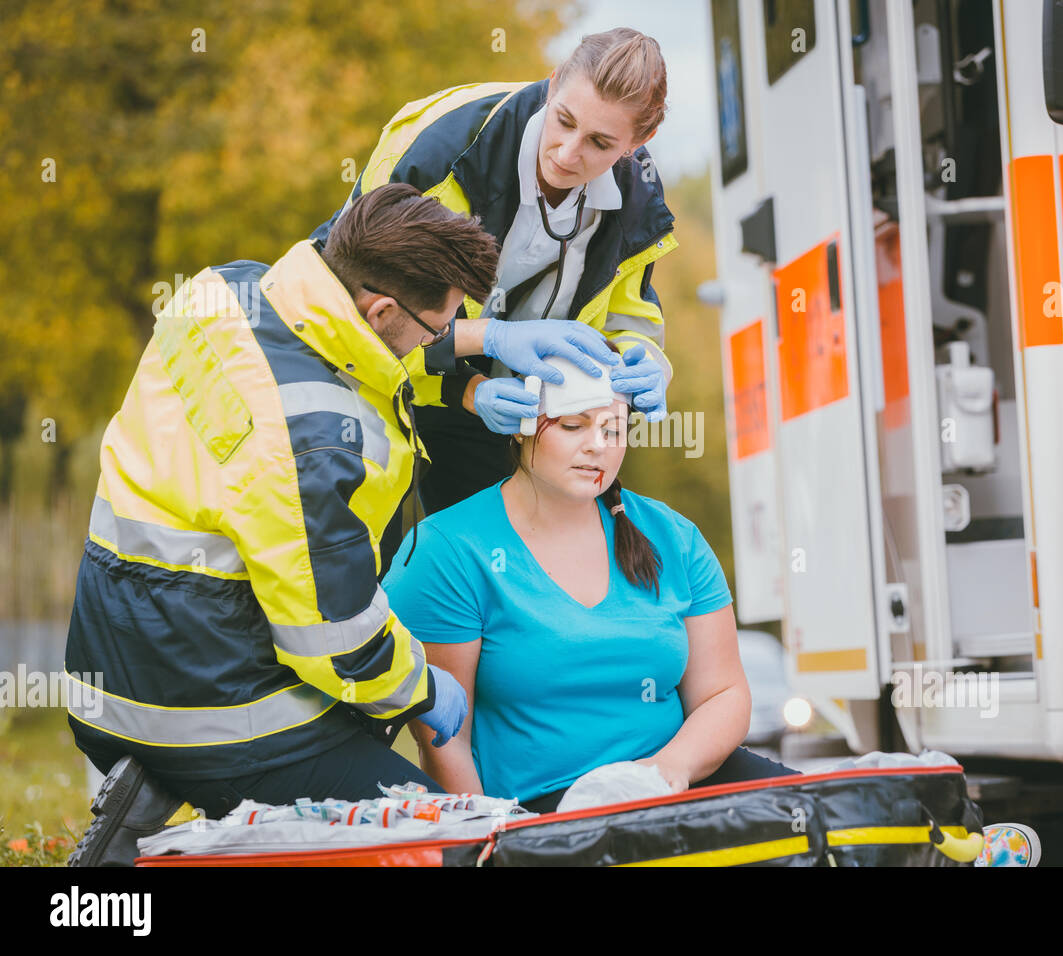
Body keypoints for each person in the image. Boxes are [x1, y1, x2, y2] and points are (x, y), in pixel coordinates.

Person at [65, 183, 621, 865]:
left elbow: (350, 348)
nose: (444, 340)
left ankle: (157, 788)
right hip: (210, 709)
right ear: (381, 308)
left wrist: (468, 385)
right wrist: (419, 687)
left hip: (112, 661)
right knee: (450, 845)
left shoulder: (226, 290)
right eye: (439, 328)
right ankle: (192, 806)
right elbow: (336, 645)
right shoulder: (314, 437)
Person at [382, 350, 798, 813]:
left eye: (613, 429)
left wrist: (662, 774)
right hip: (542, 809)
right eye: (572, 425)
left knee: (830, 818)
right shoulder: (448, 550)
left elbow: (724, 693)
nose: (597, 446)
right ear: (520, 426)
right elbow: (445, 743)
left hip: (676, 781)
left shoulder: (673, 537)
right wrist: (493, 837)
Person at [313, 27, 678, 516]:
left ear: (639, 141)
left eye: (599, 142)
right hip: (374, 382)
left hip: (513, 412)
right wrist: (477, 365)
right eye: (564, 120)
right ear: (552, 84)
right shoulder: (438, 155)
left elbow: (629, 319)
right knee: (367, 548)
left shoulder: (639, 200)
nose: (568, 154)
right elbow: (360, 322)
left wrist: (645, 361)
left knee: (497, 561)